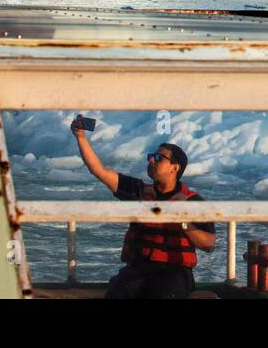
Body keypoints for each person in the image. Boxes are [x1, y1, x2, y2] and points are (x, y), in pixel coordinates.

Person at [71, 115, 216, 298]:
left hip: (175, 273)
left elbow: (209, 244)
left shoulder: (193, 202)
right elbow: (100, 171)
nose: (151, 161)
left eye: (158, 158)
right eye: (150, 156)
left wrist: (184, 223)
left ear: (175, 167)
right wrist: (81, 138)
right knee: (117, 293)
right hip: (139, 270)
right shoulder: (139, 191)